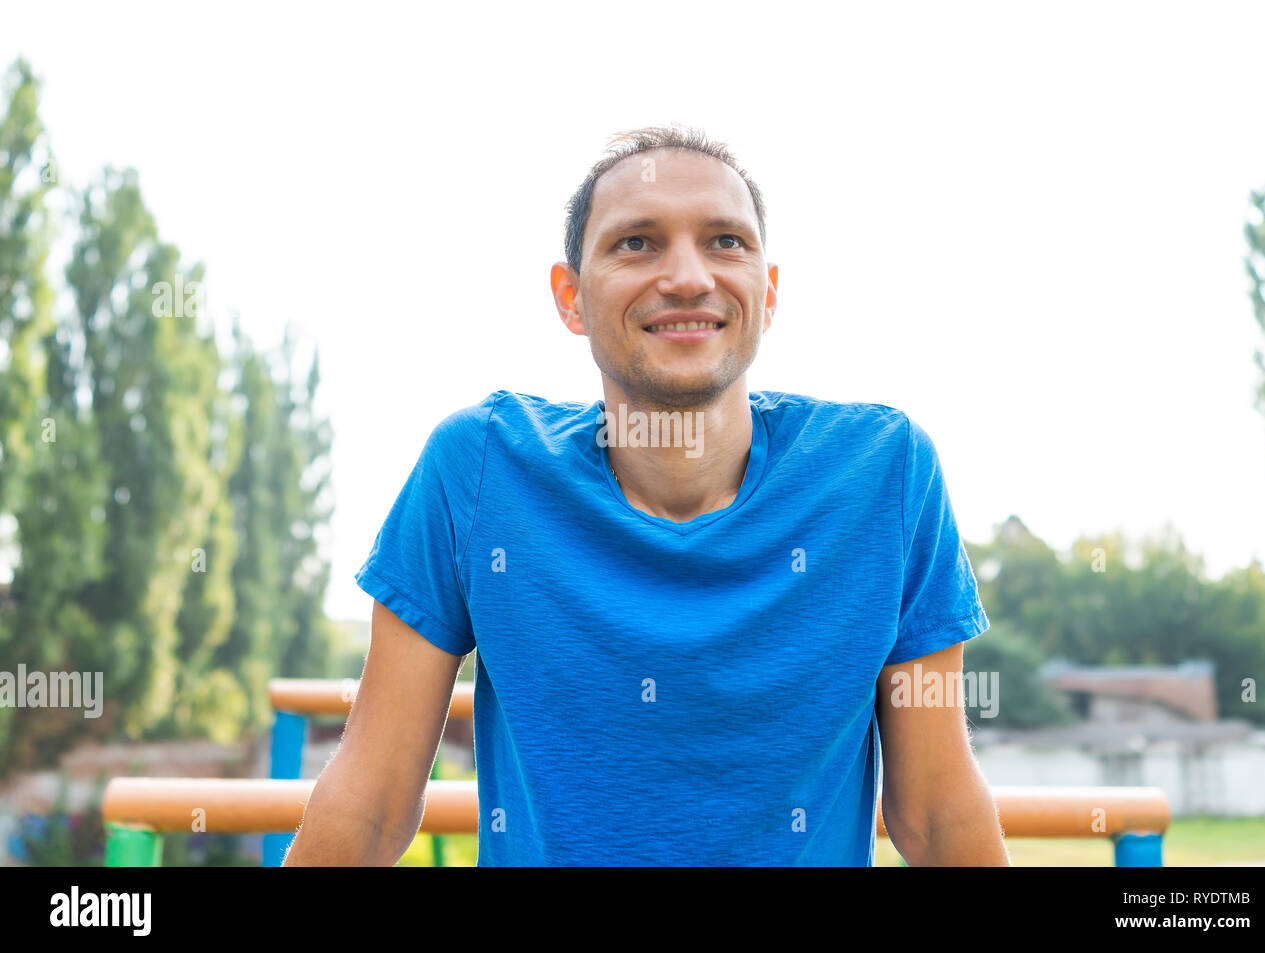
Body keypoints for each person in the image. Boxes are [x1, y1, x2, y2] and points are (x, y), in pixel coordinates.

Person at [283, 125, 1011, 866]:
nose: (689, 276)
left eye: (726, 241)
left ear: (769, 292)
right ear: (571, 298)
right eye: (637, 243)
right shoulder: (476, 469)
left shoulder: (885, 475)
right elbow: (371, 801)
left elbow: (936, 812)